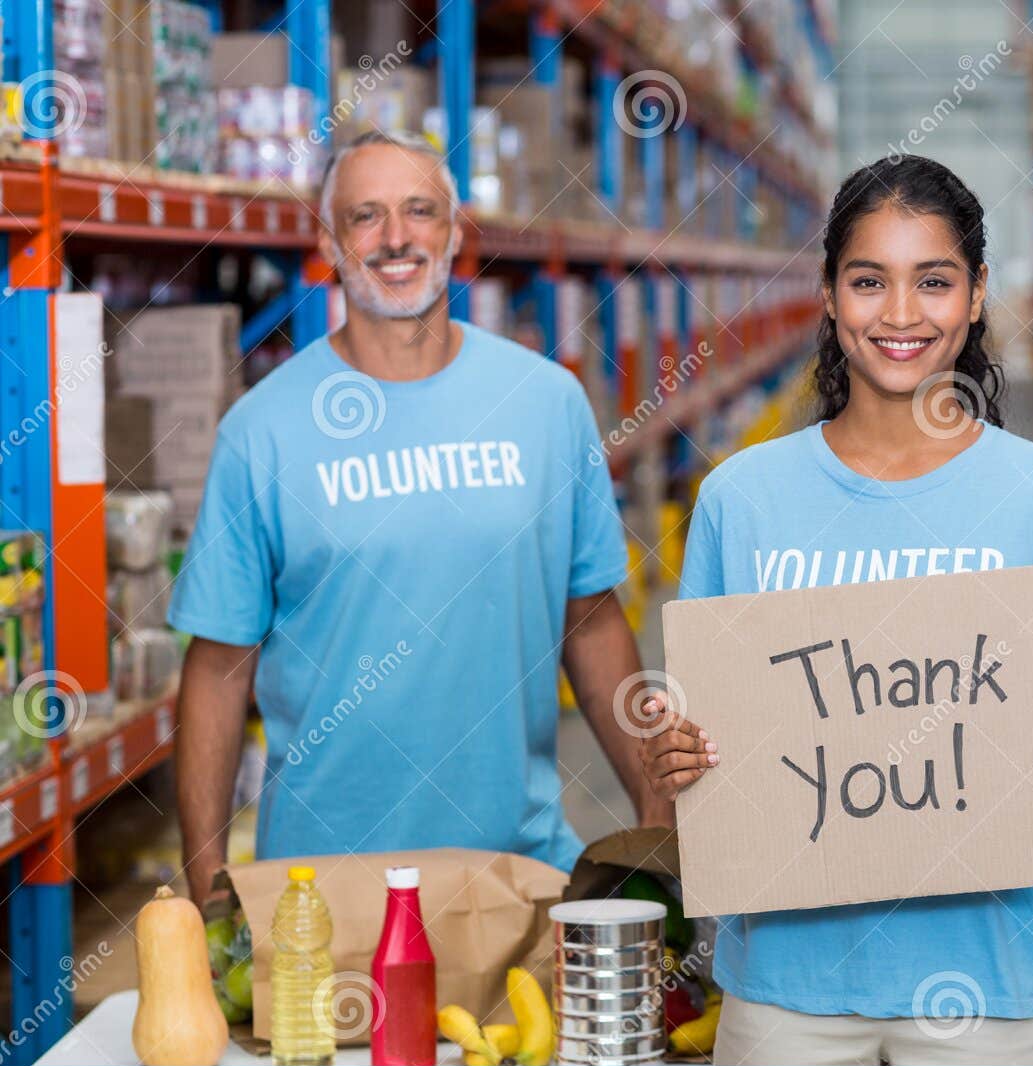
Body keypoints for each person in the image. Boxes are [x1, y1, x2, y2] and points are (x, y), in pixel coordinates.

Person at [640, 155, 1033, 1066]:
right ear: (828, 294)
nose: (900, 314)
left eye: (933, 281)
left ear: (977, 294)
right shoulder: (741, 500)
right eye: (869, 281)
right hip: (789, 992)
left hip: (991, 993)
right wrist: (672, 756)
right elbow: (700, 744)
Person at [170, 129, 668, 906]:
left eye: (419, 210)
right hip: (319, 891)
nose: (396, 237)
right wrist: (206, 886)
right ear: (328, 241)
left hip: (517, 871)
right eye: (365, 215)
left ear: (456, 230)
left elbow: (593, 620)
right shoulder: (260, 432)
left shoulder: (543, 403)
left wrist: (656, 811)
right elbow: (217, 668)